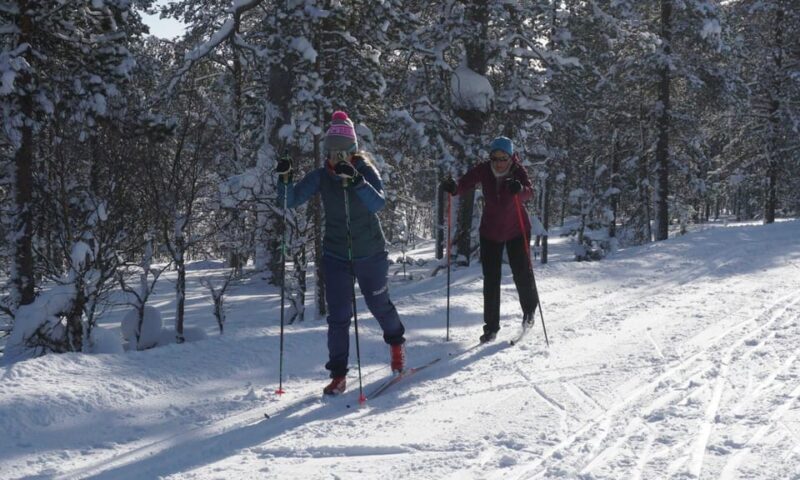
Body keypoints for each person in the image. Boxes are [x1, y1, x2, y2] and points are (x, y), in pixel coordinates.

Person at [276, 111, 406, 395]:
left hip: (369, 252)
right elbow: (289, 201)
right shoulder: (322, 176)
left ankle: (396, 344)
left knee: (379, 305)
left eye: (342, 153)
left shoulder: (365, 170)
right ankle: (338, 375)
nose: (336, 159)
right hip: (336, 255)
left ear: (352, 152)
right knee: (338, 317)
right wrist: (284, 178)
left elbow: (378, 204)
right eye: (332, 153)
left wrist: (357, 181)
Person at [440, 136, 538, 343]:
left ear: (510, 157)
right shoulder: (484, 169)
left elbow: (529, 192)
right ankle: (491, 328)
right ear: (490, 157)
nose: (499, 163)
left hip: (517, 230)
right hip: (490, 231)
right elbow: (465, 182)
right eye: (495, 158)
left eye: (503, 158)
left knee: (521, 272)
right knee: (491, 280)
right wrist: (454, 187)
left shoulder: (517, 171)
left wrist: (519, 190)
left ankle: (529, 313)